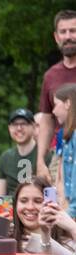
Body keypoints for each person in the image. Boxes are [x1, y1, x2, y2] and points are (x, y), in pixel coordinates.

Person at [38, 11, 76, 167]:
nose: (68, 36)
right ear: (56, 37)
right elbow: (47, 121)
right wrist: (40, 160)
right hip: (62, 152)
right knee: (53, 191)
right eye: (63, 31)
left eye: (73, 31)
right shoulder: (50, 76)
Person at [13, 180, 76, 255]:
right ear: (15, 205)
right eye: (23, 201)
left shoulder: (69, 242)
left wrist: (73, 228)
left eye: (38, 201)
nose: (30, 207)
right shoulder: (6, 242)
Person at [0, 109, 40, 199]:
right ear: (9, 128)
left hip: (35, 205)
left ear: (34, 127)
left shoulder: (44, 154)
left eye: (24, 124)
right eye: (15, 124)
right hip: (9, 205)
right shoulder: (5, 157)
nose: (19, 128)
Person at [49, 84, 76, 217]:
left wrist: (67, 215)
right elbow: (61, 177)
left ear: (68, 103)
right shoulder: (66, 137)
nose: (53, 111)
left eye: (56, 104)